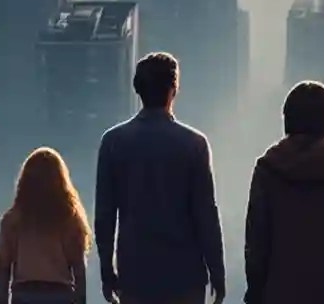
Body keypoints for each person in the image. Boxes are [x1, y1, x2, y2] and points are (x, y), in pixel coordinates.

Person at [95, 52, 226, 304]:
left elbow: (105, 215)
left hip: (135, 276)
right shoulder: (194, 144)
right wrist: (217, 272)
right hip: (185, 277)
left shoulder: (113, 142)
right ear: (174, 89)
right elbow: (206, 214)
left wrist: (106, 270)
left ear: (137, 89)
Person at [244, 81, 324, 304]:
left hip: (279, 294)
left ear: (287, 120)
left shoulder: (267, 172)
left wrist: (255, 292)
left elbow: (257, 242)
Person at [0, 148, 91, 304]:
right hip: (59, 296)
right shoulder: (69, 219)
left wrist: (2, 301)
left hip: (24, 295)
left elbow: (3, 269)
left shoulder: (12, 220)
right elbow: (78, 268)